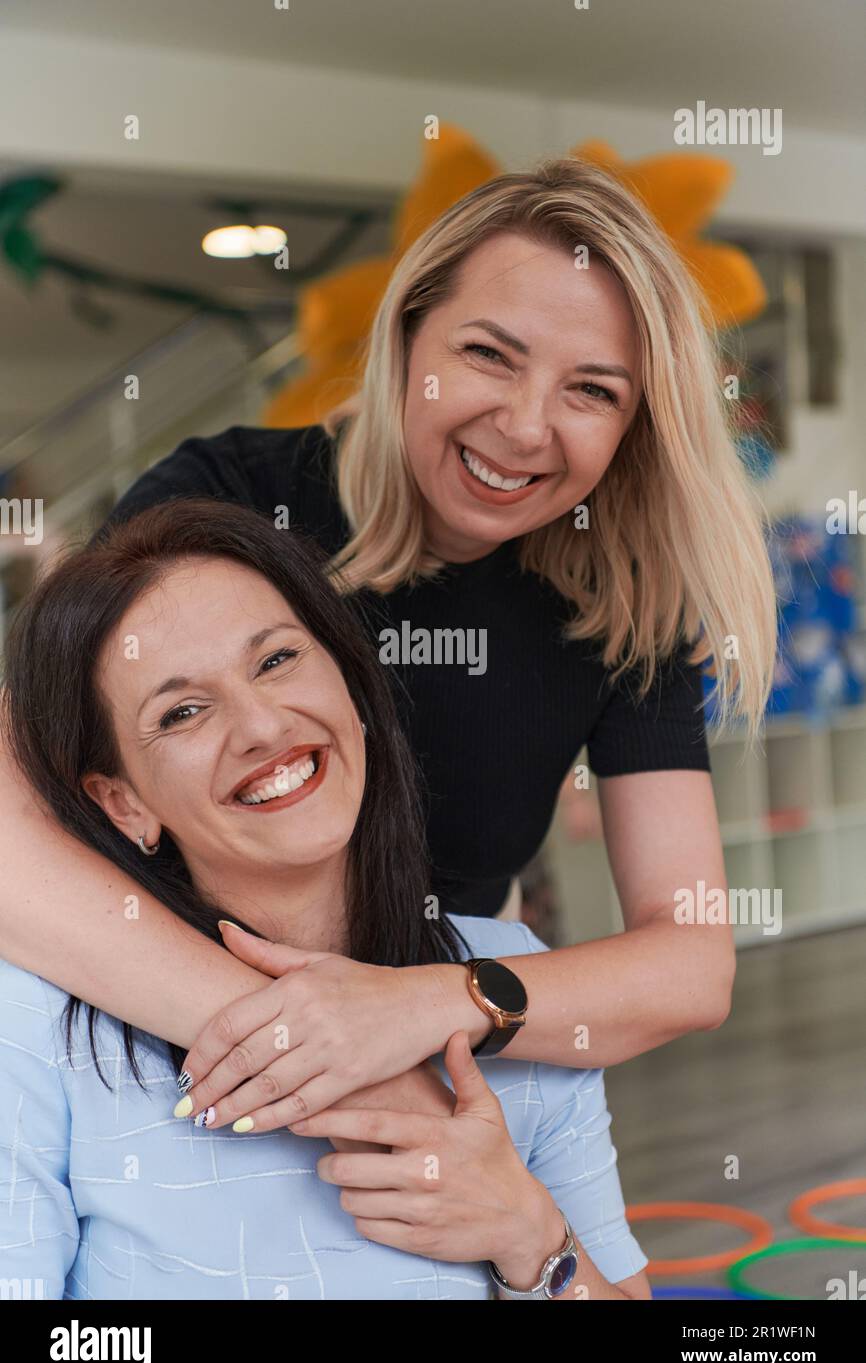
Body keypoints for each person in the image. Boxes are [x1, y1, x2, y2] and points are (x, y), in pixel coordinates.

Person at [0, 156, 776, 1132]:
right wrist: (326, 1054)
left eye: (591, 390)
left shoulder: (624, 600)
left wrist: (421, 1009)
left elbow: (691, 962)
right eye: (489, 355)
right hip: (181, 1056)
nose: (523, 426)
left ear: (634, 424)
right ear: (406, 336)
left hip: (438, 1053)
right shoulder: (226, 500)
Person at [0, 498, 649, 1300]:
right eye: (183, 712)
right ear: (123, 803)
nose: (262, 726)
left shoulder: (509, 982)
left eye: (276, 660)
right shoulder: (42, 1029)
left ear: (348, 682)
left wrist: (531, 1237)